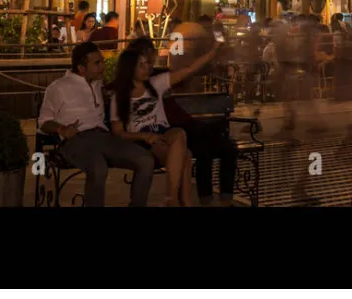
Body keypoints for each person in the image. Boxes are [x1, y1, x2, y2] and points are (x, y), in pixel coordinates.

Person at [37, 42, 155, 207]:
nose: (102, 66)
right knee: (98, 168)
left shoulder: (98, 83)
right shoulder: (58, 88)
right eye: (97, 63)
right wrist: (61, 129)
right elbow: (43, 122)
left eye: (102, 62)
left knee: (145, 160)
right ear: (81, 68)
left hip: (103, 136)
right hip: (75, 140)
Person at [109, 40, 219, 206]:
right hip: (142, 140)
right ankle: (183, 202)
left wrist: (214, 50)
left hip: (164, 133)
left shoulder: (155, 84)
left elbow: (189, 70)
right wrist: (145, 136)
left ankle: (171, 199)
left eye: (147, 63)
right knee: (186, 156)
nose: (147, 67)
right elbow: (118, 132)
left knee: (179, 134)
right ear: (129, 69)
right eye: (141, 65)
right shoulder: (119, 97)